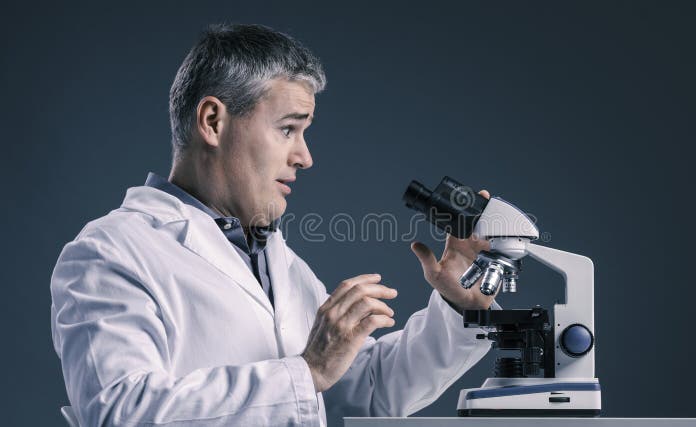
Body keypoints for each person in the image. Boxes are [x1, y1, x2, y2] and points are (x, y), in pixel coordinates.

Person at [50, 23, 498, 427]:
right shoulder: (111, 253)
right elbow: (119, 413)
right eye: (288, 129)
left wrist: (461, 308)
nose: (305, 157)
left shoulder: (276, 261)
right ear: (213, 122)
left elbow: (362, 392)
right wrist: (306, 371)